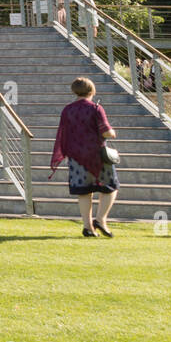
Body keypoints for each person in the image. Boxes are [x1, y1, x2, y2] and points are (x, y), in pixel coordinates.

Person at [51, 77, 119, 237]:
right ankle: (101, 220)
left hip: (76, 156)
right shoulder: (96, 108)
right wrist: (113, 132)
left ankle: (88, 227)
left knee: (84, 192)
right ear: (92, 91)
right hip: (97, 155)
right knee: (110, 187)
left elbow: (64, 134)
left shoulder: (67, 110)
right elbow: (106, 132)